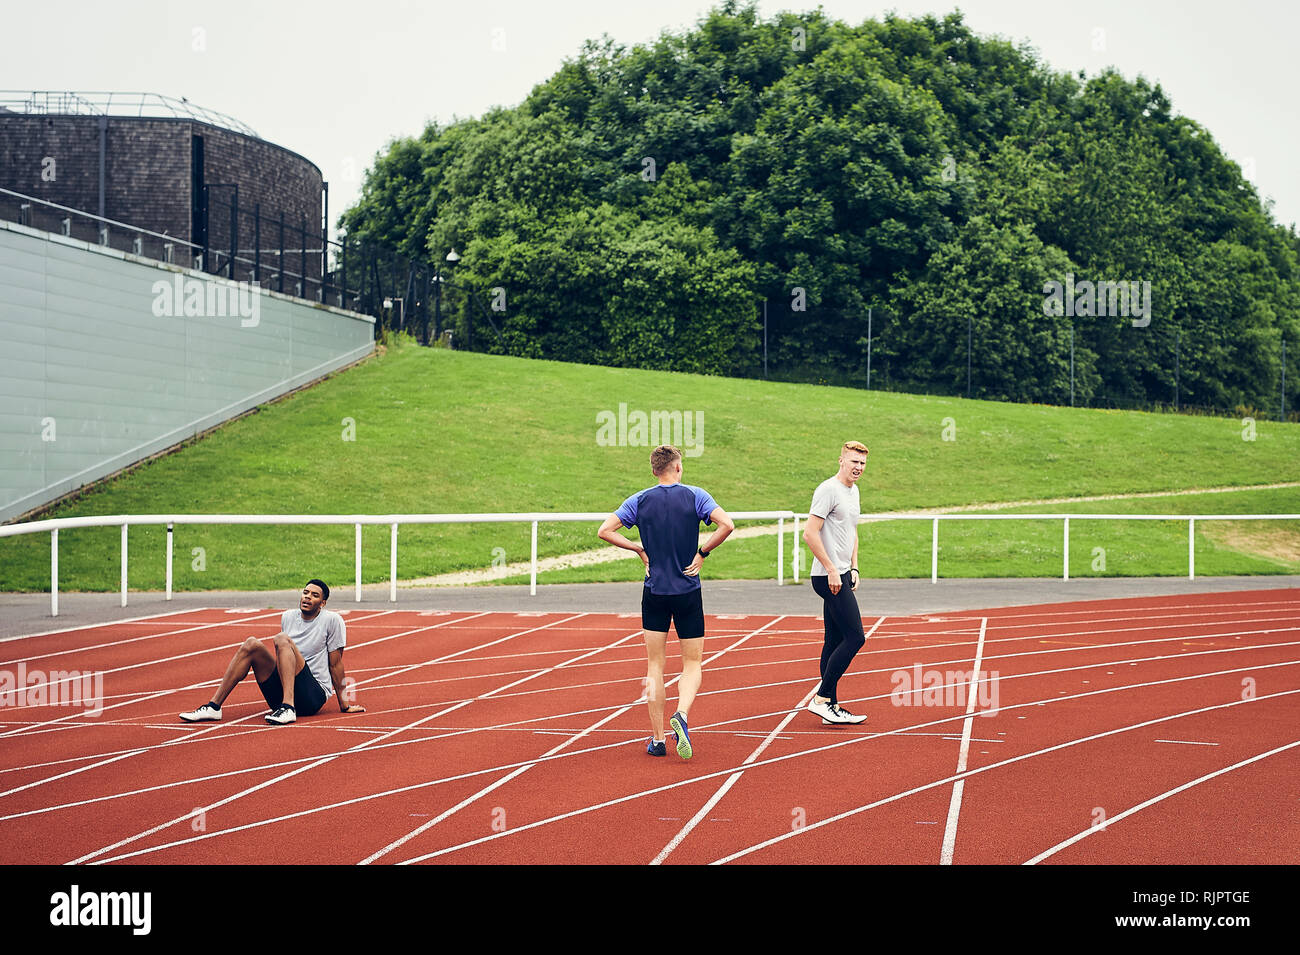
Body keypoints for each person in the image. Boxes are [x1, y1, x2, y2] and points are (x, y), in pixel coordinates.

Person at [598, 445, 734, 759]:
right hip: (687, 589)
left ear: (655, 470)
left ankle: (658, 740)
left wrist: (638, 550)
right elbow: (727, 524)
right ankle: (682, 715)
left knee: (655, 665)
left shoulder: (639, 500)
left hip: (655, 591)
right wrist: (702, 553)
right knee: (692, 663)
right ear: (677, 468)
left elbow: (604, 531)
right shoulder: (696, 495)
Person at [179, 579, 365, 725]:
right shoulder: (288, 616)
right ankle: (213, 707)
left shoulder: (332, 620)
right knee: (251, 643)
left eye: (314, 595)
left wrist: (345, 704)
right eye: (305, 592)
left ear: (322, 603)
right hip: (283, 691)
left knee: (281, 639)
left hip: (312, 696)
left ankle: (288, 708)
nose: (307, 597)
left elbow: (336, 664)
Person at [803, 440, 870, 725]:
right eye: (854, 461)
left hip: (842, 572)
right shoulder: (828, 489)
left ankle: (830, 704)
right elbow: (809, 533)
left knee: (834, 640)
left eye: (863, 463)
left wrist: (853, 566)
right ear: (841, 460)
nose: (859, 467)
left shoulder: (853, 492)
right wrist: (831, 569)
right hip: (826, 576)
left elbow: (851, 531)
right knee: (856, 637)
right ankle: (822, 698)